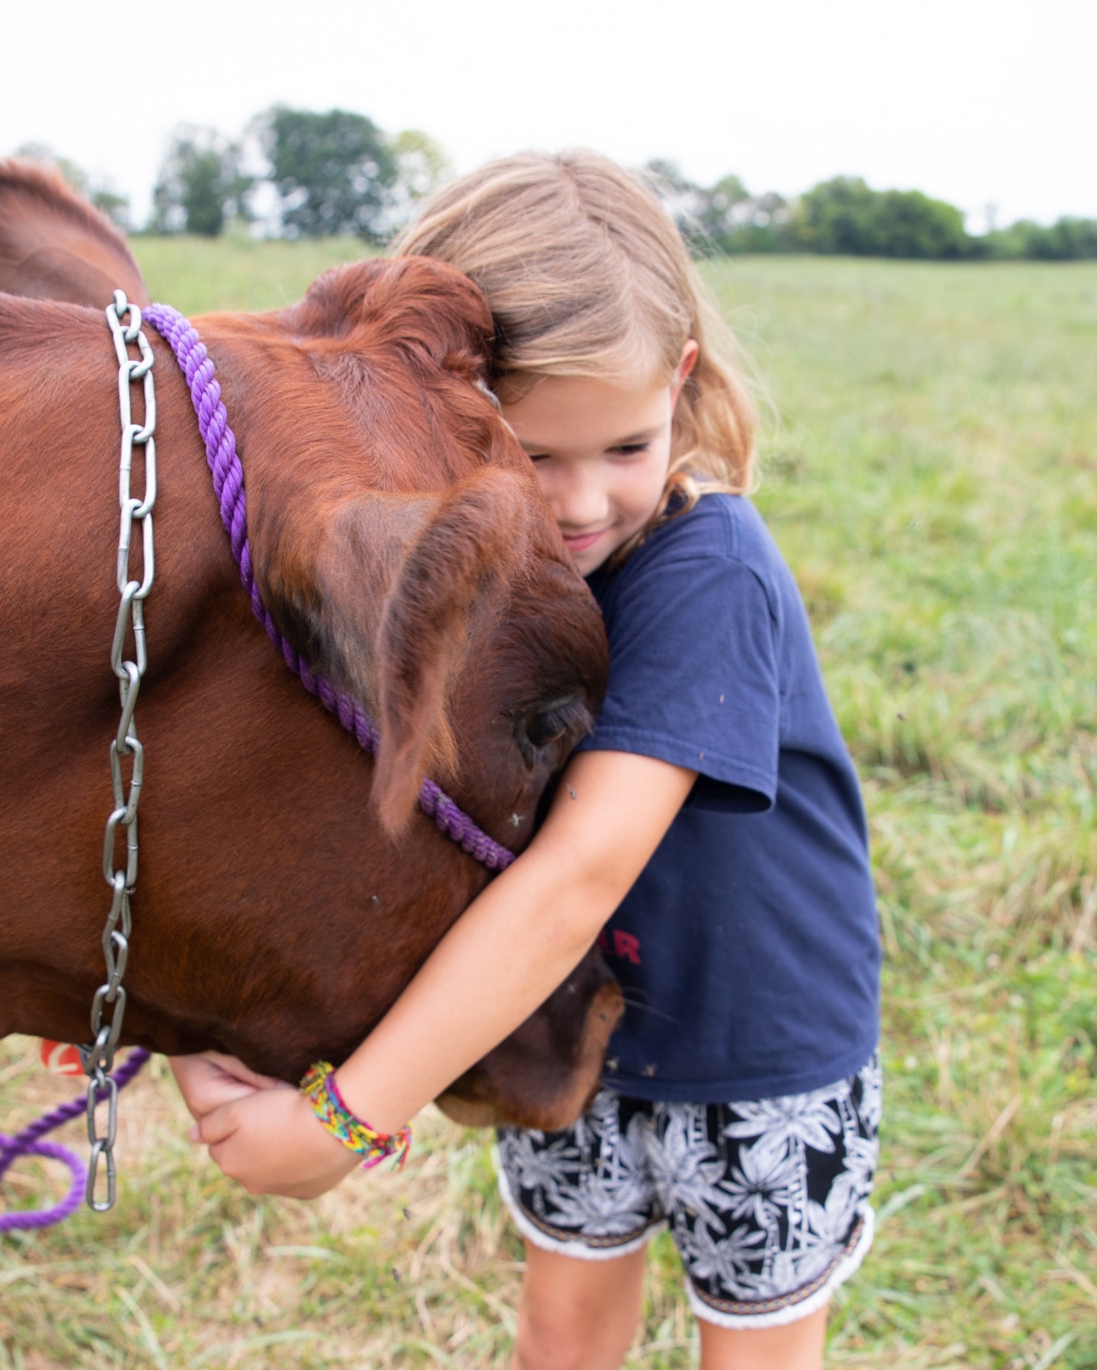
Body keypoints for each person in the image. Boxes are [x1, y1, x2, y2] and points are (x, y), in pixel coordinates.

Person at [171, 150, 882, 1370]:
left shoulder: (705, 568)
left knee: (757, 1349)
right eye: (530, 452)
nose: (581, 501)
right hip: (567, 1037)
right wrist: (173, 995)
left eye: (624, 444)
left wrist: (347, 1121)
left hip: (763, 1053)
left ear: (683, 381)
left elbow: (573, 876)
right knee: (561, 1327)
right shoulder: (469, 573)